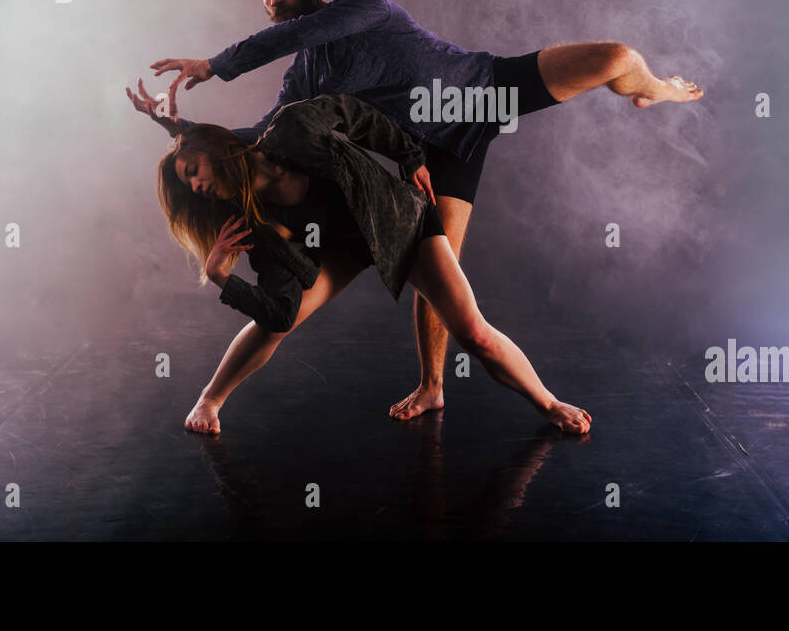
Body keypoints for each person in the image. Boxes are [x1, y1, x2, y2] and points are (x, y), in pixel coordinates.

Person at [132, 0, 703, 423]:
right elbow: (257, 136)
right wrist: (180, 129)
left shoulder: (361, 4)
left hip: (481, 90)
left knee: (617, 56)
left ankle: (657, 88)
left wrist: (216, 63)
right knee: (441, 278)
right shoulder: (305, 73)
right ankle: (433, 386)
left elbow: (296, 35)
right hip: (432, 154)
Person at [155, 91, 593, 436]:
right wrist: (221, 278)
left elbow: (353, 113)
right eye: (187, 183)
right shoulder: (255, 218)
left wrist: (409, 155)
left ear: (215, 146)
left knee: (473, 332)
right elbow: (281, 309)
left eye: (193, 170)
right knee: (275, 326)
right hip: (340, 250)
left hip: (396, 221)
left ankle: (549, 403)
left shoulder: (292, 127)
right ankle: (210, 400)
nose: (195, 185)